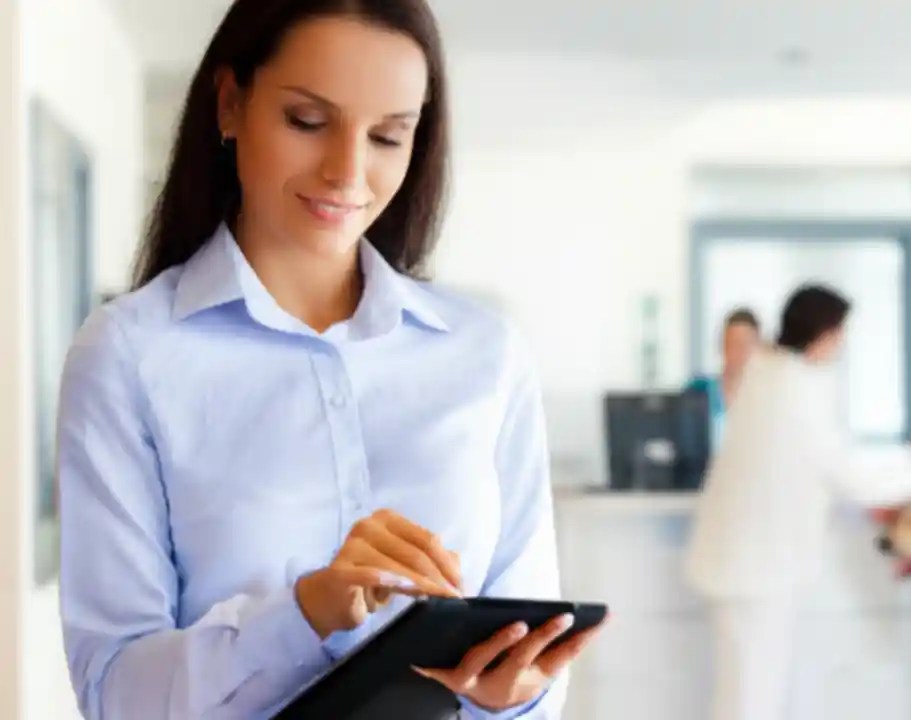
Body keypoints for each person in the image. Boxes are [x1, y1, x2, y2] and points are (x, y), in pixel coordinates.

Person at [56, 2, 602, 718]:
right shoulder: (130, 353)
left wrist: (508, 700)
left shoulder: (485, 356)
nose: (349, 171)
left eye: (387, 136)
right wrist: (305, 613)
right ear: (230, 104)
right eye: (308, 122)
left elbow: (536, 679)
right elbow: (115, 695)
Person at [684, 285, 911, 720]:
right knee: (751, 702)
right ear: (823, 334)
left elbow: (815, 466)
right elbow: (847, 476)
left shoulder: (767, 373)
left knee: (747, 697)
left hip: (744, 566)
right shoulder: (796, 387)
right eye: (840, 334)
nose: (841, 346)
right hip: (756, 573)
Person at [686, 308, 761, 446]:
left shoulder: (766, 398)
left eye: (743, 345)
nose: (736, 352)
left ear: (758, 348)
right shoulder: (699, 389)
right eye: (731, 343)